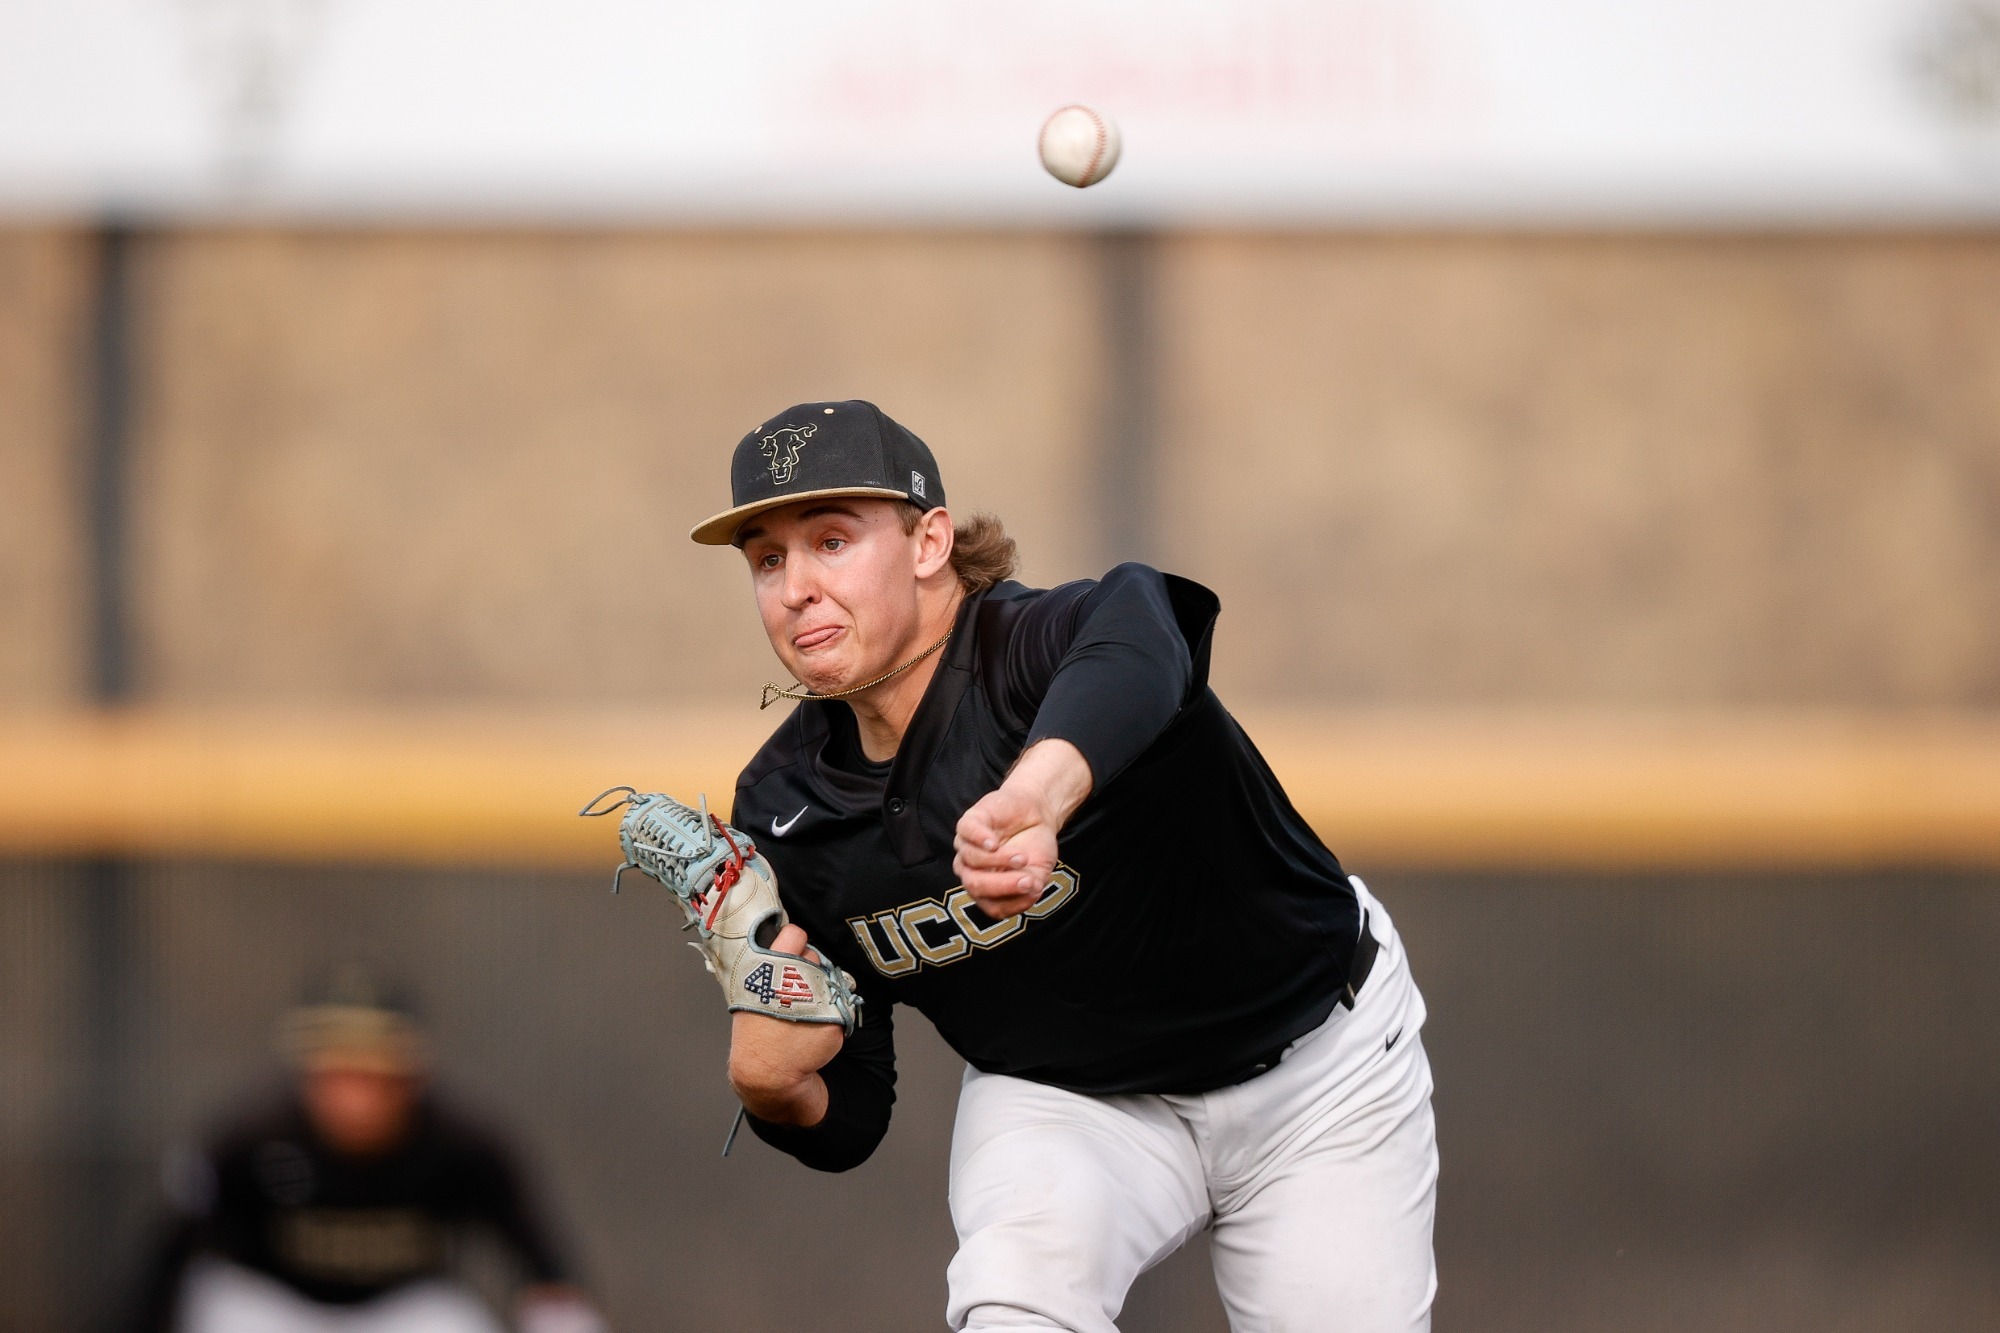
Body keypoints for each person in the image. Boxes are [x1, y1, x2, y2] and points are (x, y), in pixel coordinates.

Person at [690, 401, 1439, 1332]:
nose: (795, 584)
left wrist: (1040, 793)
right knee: (1014, 1306)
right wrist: (781, 1092)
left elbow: (1147, 633)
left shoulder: (1041, 643)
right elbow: (859, 1111)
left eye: (831, 540)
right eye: (767, 559)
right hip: (1065, 1101)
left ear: (929, 542)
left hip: (1316, 1070)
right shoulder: (784, 808)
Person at [126, 971, 605, 1333]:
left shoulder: (461, 1146)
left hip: (400, 1310)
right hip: (274, 1307)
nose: (354, 1096)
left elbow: (542, 1262)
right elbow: (169, 1254)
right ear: (308, 1076)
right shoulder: (252, 1138)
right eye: (338, 1072)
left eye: (372, 1074)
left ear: (410, 1078)